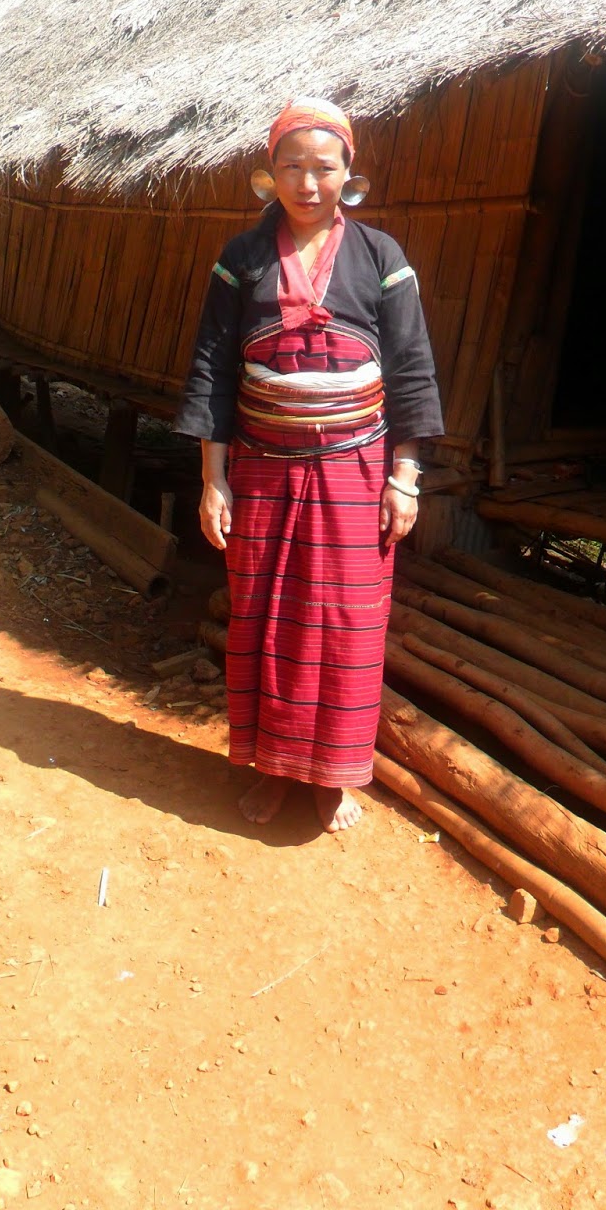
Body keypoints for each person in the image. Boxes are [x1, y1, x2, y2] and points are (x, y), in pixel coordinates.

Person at [176, 98, 443, 833]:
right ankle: (273, 769)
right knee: (265, 617)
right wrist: (213, 479)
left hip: (356, 471)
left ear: (348, 173)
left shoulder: (381, 258)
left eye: (324, 168)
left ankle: (332, 779)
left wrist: (405, 478)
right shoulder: (242, 259)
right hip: (262, 468)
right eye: (291, 166)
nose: (307, 182)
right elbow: (212, 371)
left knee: (346, 624)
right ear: (270, 173)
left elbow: (411, 369)